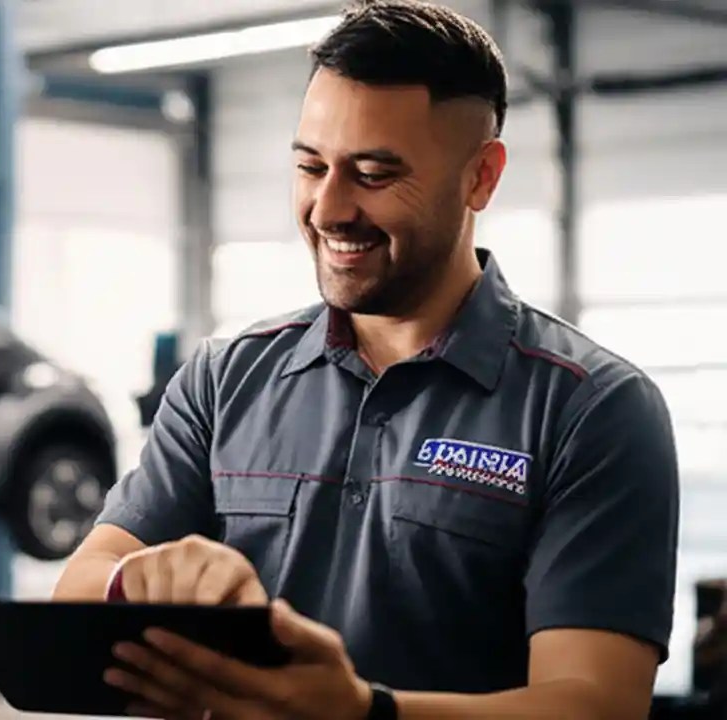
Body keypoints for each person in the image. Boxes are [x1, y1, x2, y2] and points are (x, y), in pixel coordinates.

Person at [54, 1, 679, 718]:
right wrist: (141, 579)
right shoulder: (226, 381)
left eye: (374, 175)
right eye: (310, 166)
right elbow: (80, 592)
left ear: (481, 177)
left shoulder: (589, 409)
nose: (328, 208)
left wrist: (364, 713)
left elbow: (596, 704)